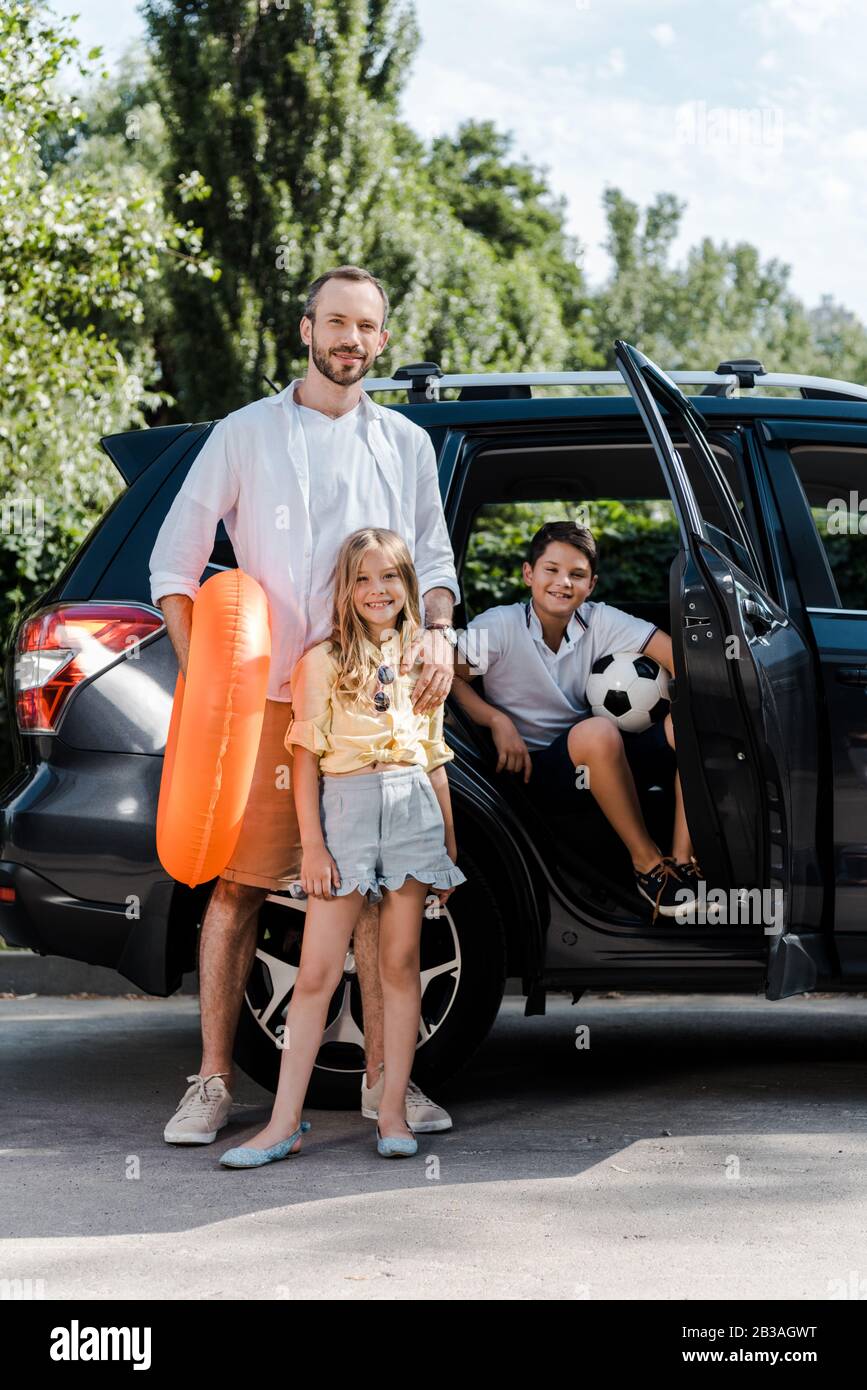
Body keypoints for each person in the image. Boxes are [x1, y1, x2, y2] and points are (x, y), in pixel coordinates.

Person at [149, 265, 462, 1146]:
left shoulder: (405, 444)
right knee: (236, 893)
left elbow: (433, 566)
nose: (350, 341)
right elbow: (173, 567)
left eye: (365, 327)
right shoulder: (243, 434)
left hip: (375, 714)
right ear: (305, 329)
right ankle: (211, 1081)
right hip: (268, 713)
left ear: (383, 339)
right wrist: (212, 685)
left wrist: (439, 631)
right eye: (335, 324)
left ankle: (379, 1089)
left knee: (370, 898)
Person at [218, 528, 466, 1166]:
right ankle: (283, 1123)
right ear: (345, 590)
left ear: (408, 585)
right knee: (318, 972)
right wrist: (314, 847)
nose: (376, 590)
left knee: (401, 962)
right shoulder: (322, 662)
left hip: (413, 811)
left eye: (388, 577)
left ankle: (389, 1113)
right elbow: (304, 759)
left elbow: (434, 757)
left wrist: (447, 844)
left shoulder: (423, 660)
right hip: (347, 817)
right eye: (361, 579)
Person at [450, 519, 703, 922]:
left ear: (591, 584)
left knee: (690, 722)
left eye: (577, 574)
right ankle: (648, 866)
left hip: (606, 760)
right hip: (537, 769)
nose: (563, 582)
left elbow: (679, 660)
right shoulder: (499, 625)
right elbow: (446, 675)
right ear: (528, 573)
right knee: (597, 730)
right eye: (551, 569)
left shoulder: (600, 620)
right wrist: (495, 719)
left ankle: (683, 859)